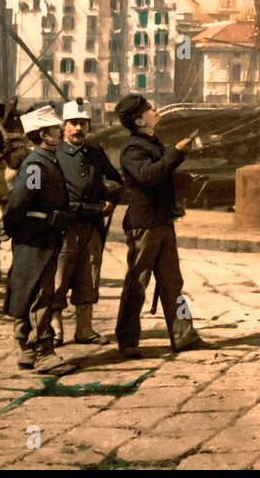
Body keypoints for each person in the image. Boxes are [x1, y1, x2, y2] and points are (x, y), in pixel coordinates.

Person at [113, 94, 202, 358]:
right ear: (139, 120)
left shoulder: (152, 143)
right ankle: (128, 341)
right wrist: (177, 153)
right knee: (137, 283)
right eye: (150, 109)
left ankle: (184, 337)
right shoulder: (132, 149)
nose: (155, 110)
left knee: (173, 282)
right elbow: (148, 176)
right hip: (145, 225)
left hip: (162, 221)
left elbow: (161, 174)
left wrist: (185, 177)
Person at [3, 104, 75, 376]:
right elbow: (19, 202)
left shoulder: (46, 161)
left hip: (42, 237)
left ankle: (27, 351)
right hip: (36, 238)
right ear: (45, 135)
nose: (61, 131)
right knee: (38, 294)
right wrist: (13, 228)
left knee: (28, 289)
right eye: (57, 128)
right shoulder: (36, 165)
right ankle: (43, 352)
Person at [52, 98, 122, 346]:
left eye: (83, 124)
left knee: (88, 276)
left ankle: (84, 329)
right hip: (63, 227)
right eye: (73, 123)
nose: (78, 129)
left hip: (92, 227)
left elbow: (116, 182)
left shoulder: (96, 153)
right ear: (64, 126)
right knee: (58, 278)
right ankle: (55, 331)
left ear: (89, 127)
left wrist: (111, 200)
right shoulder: (54, 154)